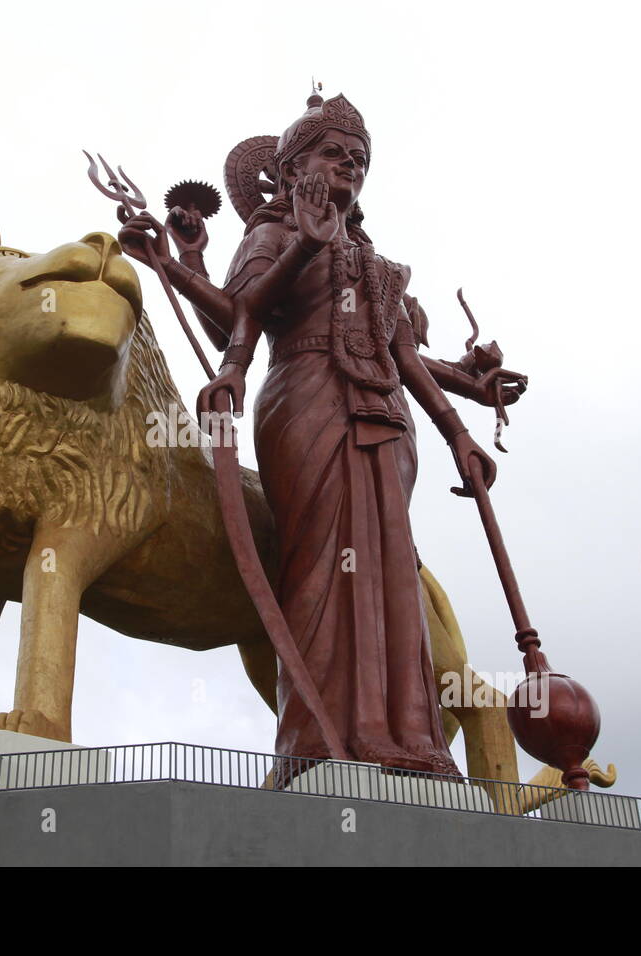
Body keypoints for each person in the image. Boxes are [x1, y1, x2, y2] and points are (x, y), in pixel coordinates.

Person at [119, 93, 525, 776]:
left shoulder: (374, 262)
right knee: (321, 567)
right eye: (335, 152)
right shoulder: (272, 235)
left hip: (386, 422)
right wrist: (187, 272)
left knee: (393, 571)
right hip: (307, 403)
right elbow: (240, 318)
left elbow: (401, 354)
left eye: (359, 159)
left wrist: (460, 425)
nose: (350, 166)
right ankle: (317, 745)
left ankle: (410, 745)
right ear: (291, 166)